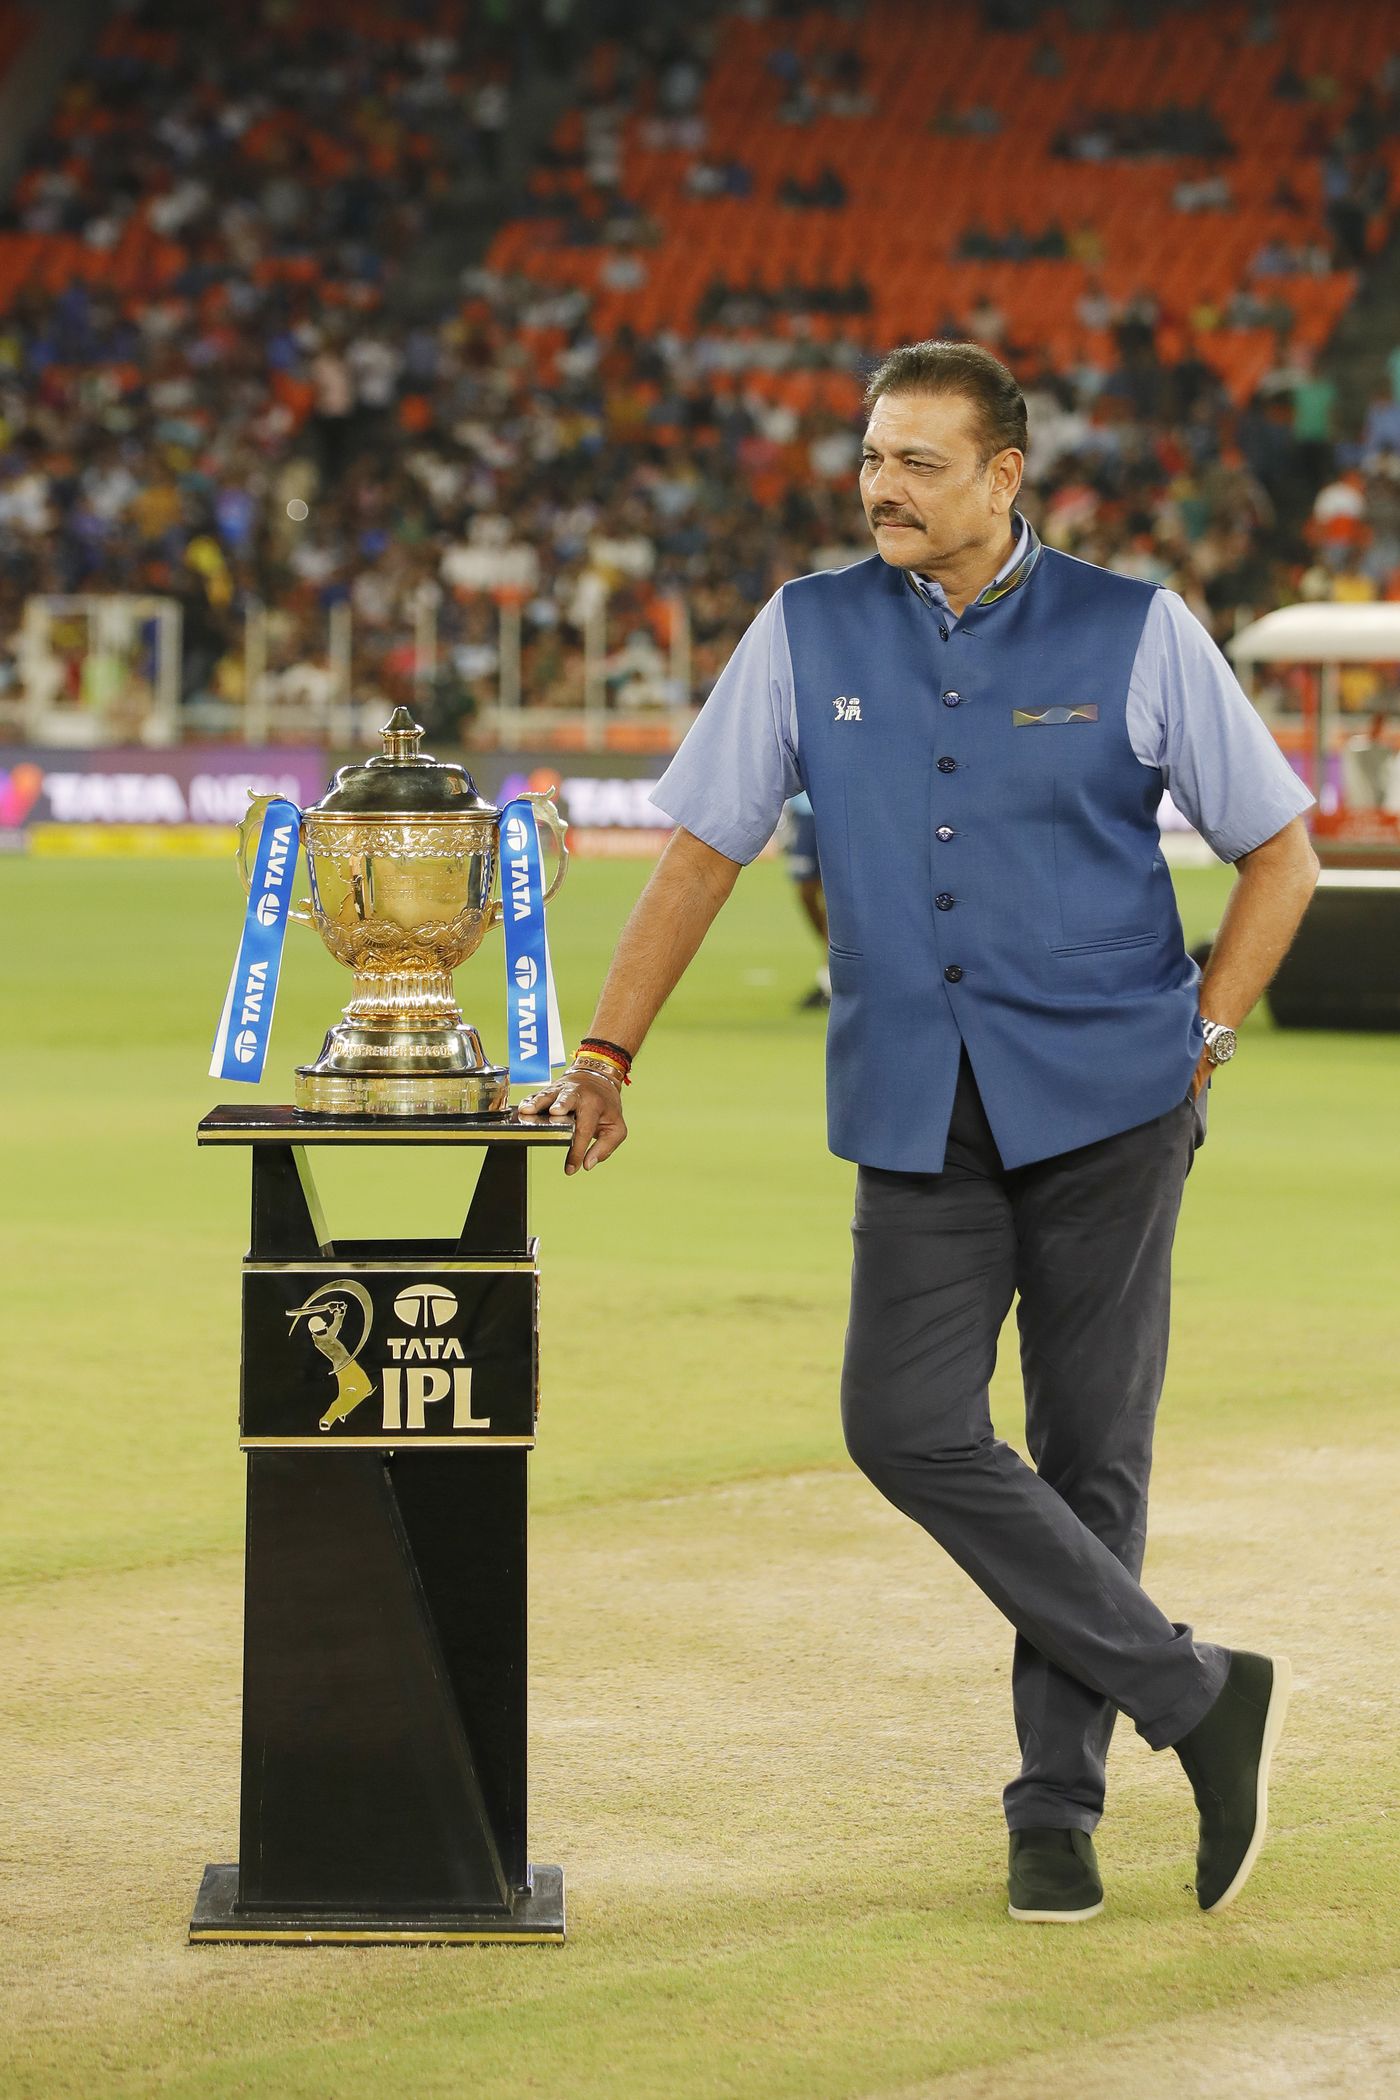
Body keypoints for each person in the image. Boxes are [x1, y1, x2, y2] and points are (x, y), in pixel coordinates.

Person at [522, 340, 1320, 1926]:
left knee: (1095, 1456)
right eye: (872, 459)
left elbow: (1280, 853)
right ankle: (1198, 1692)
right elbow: (701, 851)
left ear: (1005, 476)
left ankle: (1058, 1811)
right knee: (902, 1420)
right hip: (914, 1103)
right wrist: (606, 1046)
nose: (883, 487)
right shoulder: (803, 628)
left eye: (920, 463)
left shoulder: (1140, 625)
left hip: (1114, 1107)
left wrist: (1203, 1038)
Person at [783, 790, 830, 1008]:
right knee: (805, 892)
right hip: (802, 811)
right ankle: (835, 957)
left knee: (834, 896)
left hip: (833, 808)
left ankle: (829, 979)